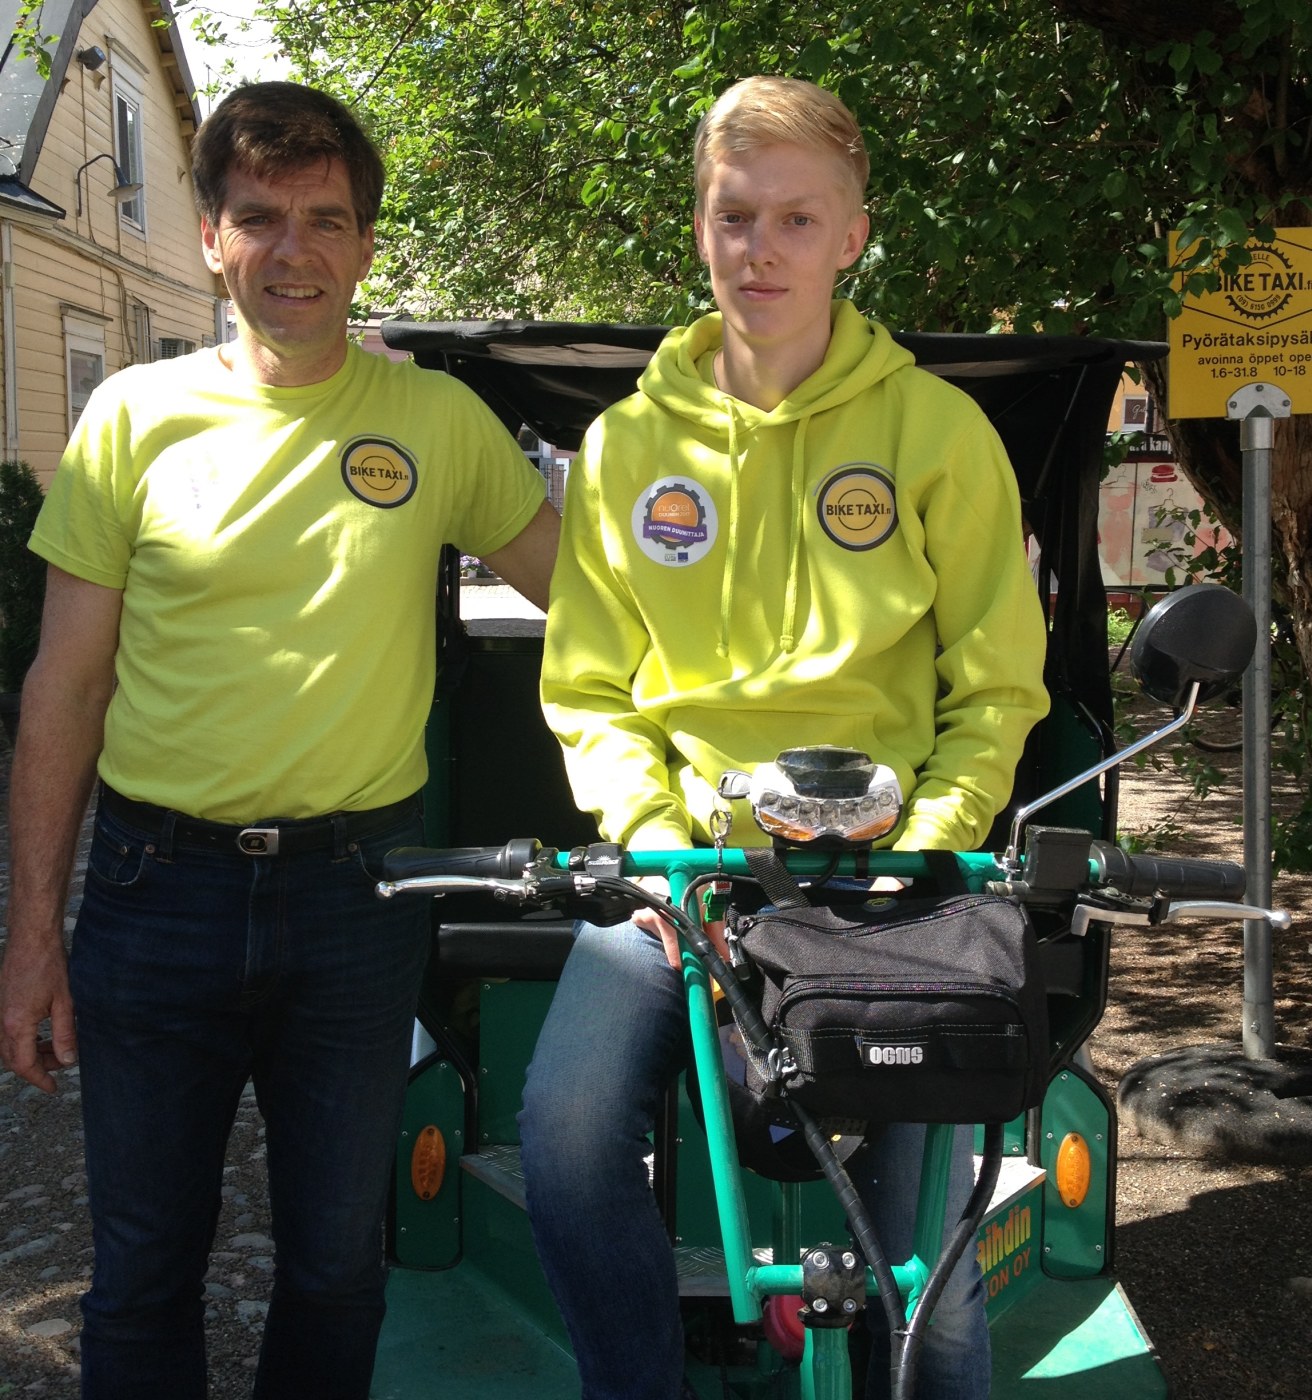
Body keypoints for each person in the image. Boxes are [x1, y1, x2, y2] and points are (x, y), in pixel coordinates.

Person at [0, 82, 557, 1400]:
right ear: (210, 236)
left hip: (357, 900)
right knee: (142, 1267)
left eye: (326, 219)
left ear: (364, 245)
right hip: (153, 894)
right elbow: (64, 689)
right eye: (259, 218)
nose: (293, 251)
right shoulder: (130, 417)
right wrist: (30, 936)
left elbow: (598, 603)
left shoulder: (435, 423)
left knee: (336, 1265)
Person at [524, 75, 1050, 1399]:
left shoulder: (939, 434)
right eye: (735, 217)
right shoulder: (626, 447)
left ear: (853, 236)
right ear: (700, 227)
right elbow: (589, 688)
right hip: (688, 874)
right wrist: (656, 851)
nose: (761, 251)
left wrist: (929, 848)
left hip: (892, 880)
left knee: (926, 1268)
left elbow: (998, 687)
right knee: (566, 1135)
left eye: (797, 220)